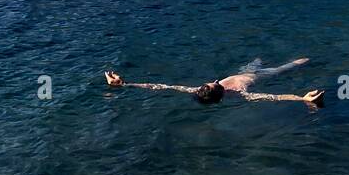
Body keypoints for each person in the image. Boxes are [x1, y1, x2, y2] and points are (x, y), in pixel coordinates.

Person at [103, 57, 324, 107]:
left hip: (246, 71)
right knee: (285, 67)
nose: (206, 82)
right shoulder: (239, 91)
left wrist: (126, 85)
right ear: (217, 88)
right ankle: (299, 64)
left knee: (254, 61)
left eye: (204, 84)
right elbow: (270, 96)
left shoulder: (203, 89)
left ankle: (257, 63)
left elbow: (161, 86)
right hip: (262, 75)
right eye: (209, 84)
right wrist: (301, 98)